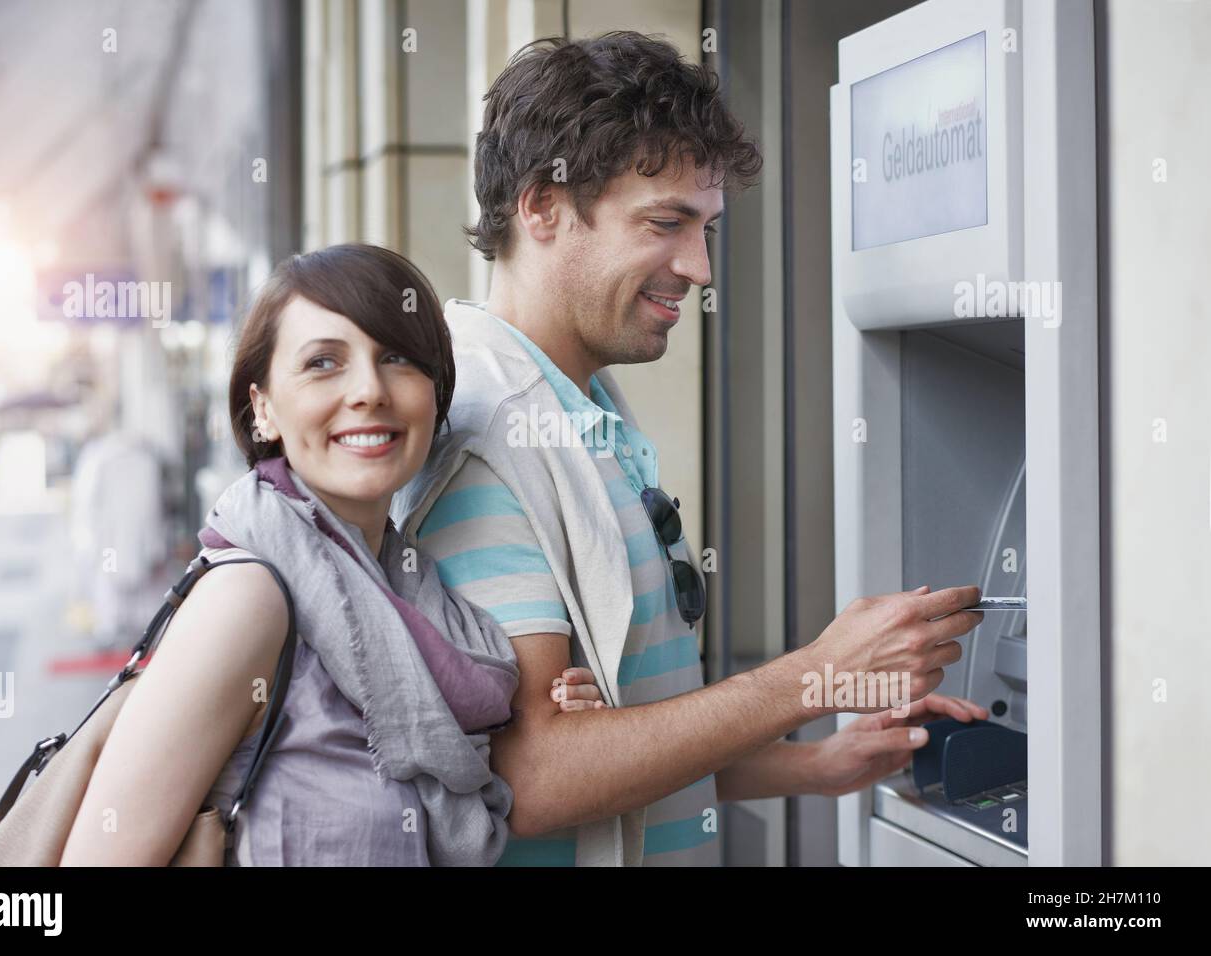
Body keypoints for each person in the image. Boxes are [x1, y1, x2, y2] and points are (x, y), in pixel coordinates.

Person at [391, 32, 988, 867]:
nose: (700, 267)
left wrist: (819, 764)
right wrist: (813, 673)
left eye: (705, 227)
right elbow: (531, 779)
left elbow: (632, 742)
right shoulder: (491, 433)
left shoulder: (577, 402)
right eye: (666, 223)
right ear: (541, 207)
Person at [60, 244, 603, 866]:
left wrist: (560, 723)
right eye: (324, 363)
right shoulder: (249, 603)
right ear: (263, 408)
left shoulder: (418, 598)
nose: (369, 390)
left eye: (397, 357)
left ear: (435, 393)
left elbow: (490, 771)